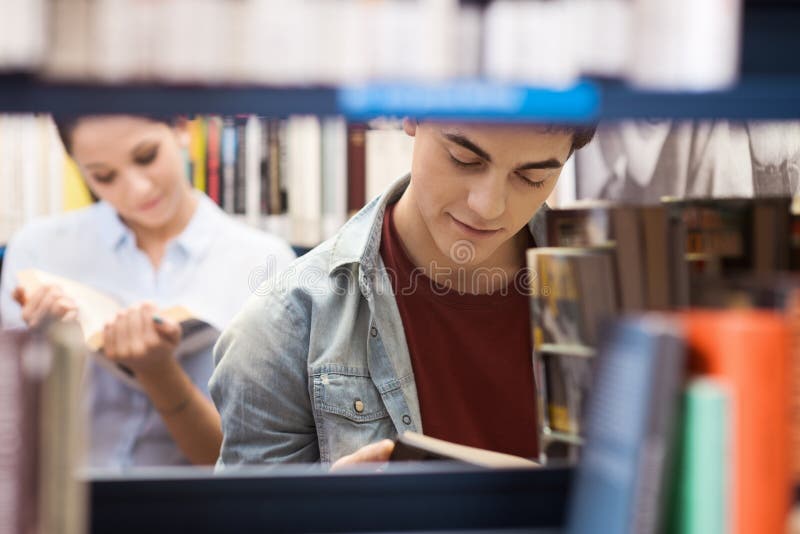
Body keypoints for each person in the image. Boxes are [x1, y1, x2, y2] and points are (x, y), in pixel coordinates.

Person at [210, 120, 595, 468]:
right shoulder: (280, 330)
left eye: (532, 177)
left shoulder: (611, 297)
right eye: (464, 159)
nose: (488, 207)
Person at [0, 115, 295, 468]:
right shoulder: (39, 251)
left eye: (146, 157)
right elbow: (15, 443)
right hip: (67, 508)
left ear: (182, 129)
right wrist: (43, 353)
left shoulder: (265, 262)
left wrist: (159, 373)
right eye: (104, 176)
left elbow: (251, 463)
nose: (136, 189)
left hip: (199, 511)